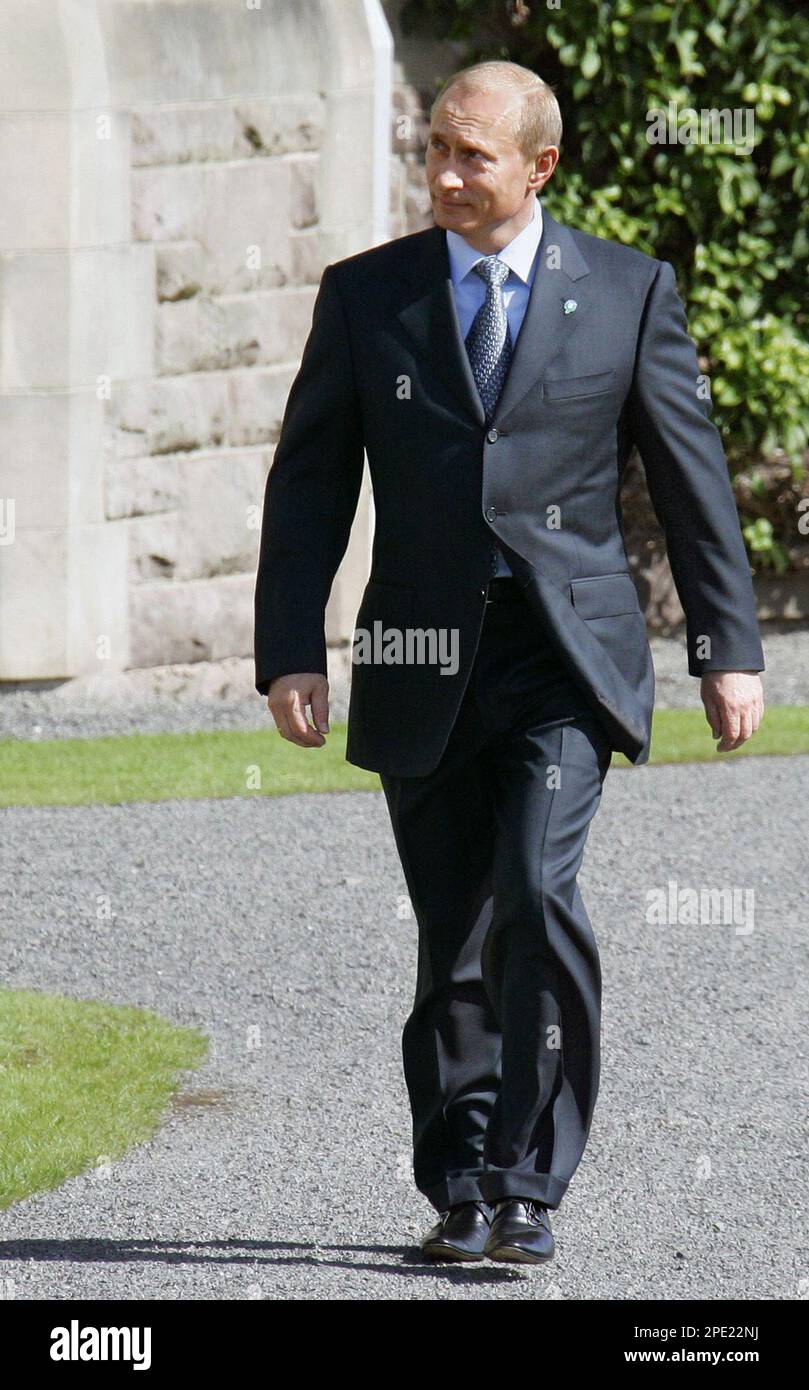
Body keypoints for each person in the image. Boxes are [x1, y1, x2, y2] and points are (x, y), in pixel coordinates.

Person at [253, 60, 765, 1264]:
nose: (442, 174)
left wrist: (722, 647)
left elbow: (691, 483)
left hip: (564, 658)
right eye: (434, 147)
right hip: (415, 652)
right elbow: (311, 483)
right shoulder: (365, 297)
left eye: (470, 156)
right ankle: (459, 1184)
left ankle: (529, 1179)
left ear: (537, 166)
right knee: (452, 931)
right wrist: (290, 649)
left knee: (535, 892)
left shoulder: (629, 291)